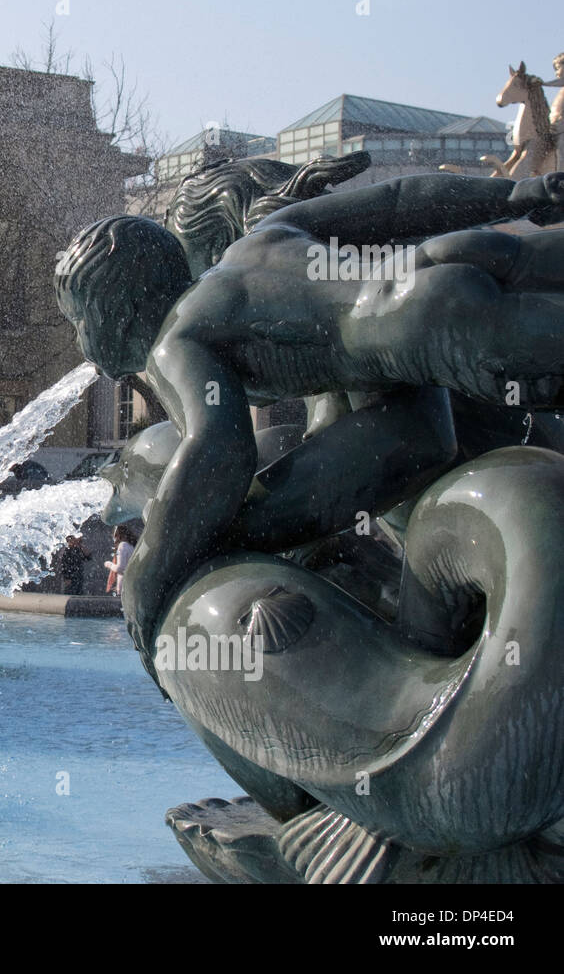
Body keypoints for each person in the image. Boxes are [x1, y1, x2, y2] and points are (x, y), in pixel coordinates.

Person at [55, 171, 564, 669]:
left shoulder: (175, 341)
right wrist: (519, 193)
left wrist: (146, 580)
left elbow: (220, 450)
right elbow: (394, 202)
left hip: (441, 333)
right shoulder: (261, 242)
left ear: (114, 313)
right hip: (443, 272)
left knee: (231, 524)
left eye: (77, 321)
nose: (79, 343)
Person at [103, 525, 134, 595]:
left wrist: (109, 564)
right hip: (130, 584)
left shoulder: (122, 545)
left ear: (117, 535)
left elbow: (120, 568)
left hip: (124, 587)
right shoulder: (131, 545)